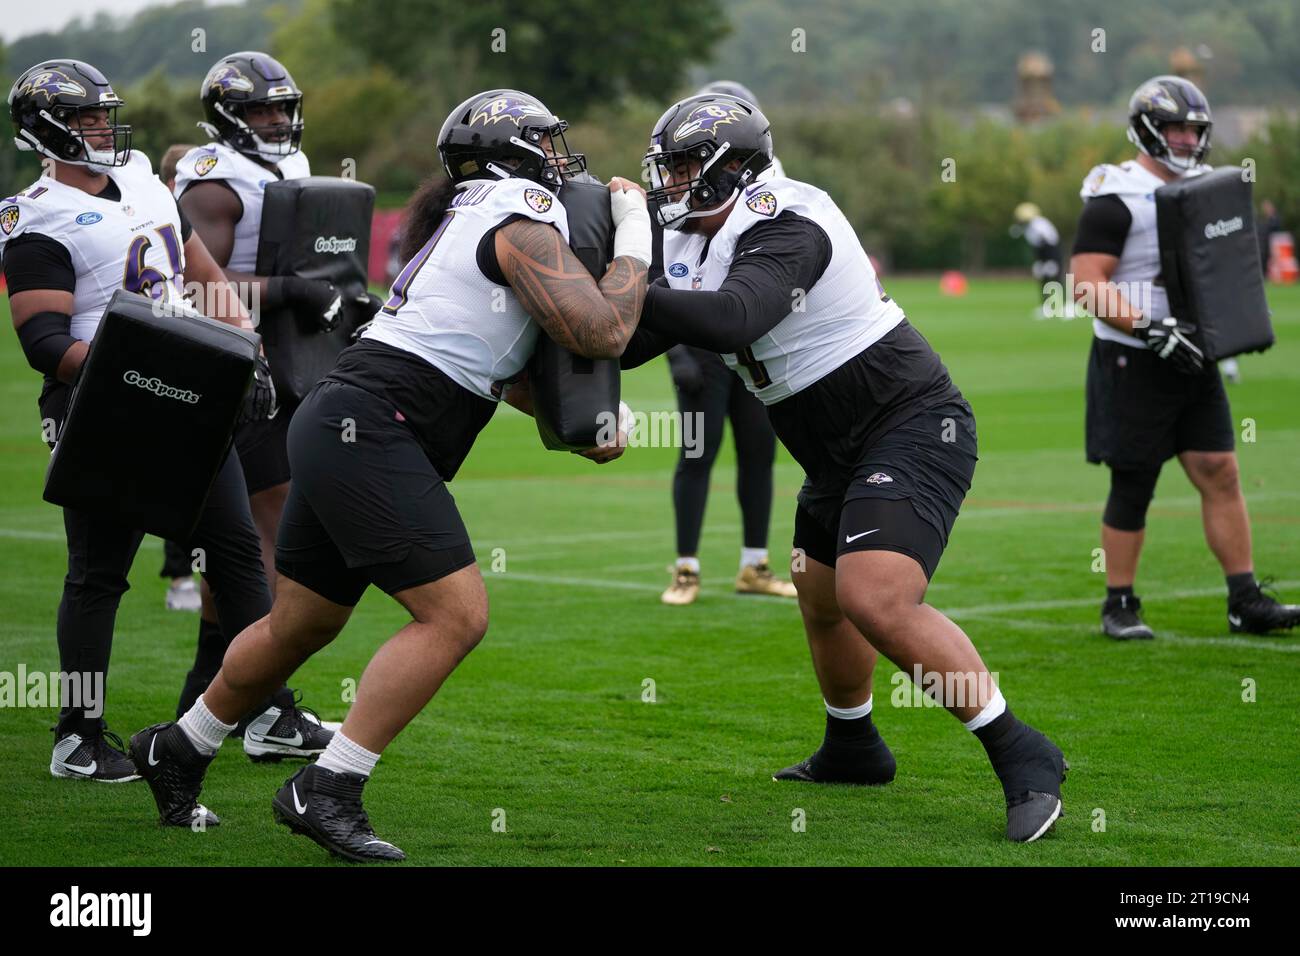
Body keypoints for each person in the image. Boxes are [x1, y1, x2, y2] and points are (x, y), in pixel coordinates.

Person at [130, 89, 653, 861]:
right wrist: (635, 239)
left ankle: (178, 748)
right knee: (455, 616)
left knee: (301, 622)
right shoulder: (518, 206)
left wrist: (578, 430)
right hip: (375, 424)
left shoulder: (471, 217)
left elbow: (487, 370)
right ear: (515, 155)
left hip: (351, 417)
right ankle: (328, 786)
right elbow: (602, 328)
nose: (559, 159)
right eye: (546, 143)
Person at [620, 92, 1067, 842]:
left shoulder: (790, 218)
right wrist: (565, 318)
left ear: (734, 165)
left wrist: (625, 290)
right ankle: (854, 744)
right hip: (830, 445)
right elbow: (628, 339)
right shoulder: (698, 237)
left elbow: (733, 318)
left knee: (877, 598)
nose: (672, 183)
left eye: (686, 165)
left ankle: (1021, 750)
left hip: (910, 419)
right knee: (819, 591)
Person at [1, 59, 278, 781]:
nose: (102, 126)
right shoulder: (33, 215)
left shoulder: (147, 181)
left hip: (183, 394)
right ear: (44, 129)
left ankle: (267, 704)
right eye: (87, 116)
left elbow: (197, 270)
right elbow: (47, 346)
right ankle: (77, 737)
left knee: (239, 552)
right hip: (106, 407)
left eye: (104, 113)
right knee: (100, 573)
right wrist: (152, 373)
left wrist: (242, 346)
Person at [1069, 75, 1300, 640]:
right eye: (1174, 127)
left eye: (1193, 129)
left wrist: (1239, 325)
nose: (1185, 139)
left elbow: (1223, 271)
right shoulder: (1115, 193)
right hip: (1134, 357)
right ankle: (1118, 604)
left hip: (1194, 354)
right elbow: (1085, 282)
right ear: (1147, 129)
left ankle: (1244, 599)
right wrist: (1150, 328)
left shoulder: (1207, 189)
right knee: (1135, 480)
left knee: (1220, 469)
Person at [170, 52, 347, 749]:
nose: (276, 121)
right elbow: (199, 283)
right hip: (236, 371)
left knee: (238, 551)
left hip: (292, 364)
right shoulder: (214, 182)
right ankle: (269, 711)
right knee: (268, 542)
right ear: (225, 118)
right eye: (259, 110)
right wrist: (290, 292)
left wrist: (337, 291)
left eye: (282, 107)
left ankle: (204, 704)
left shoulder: (291, 170)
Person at [659, 80, 794, 605]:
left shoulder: (773, 188)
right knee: (697, 455)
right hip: (701, 346)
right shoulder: (686, 199)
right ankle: (686, 569)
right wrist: (676, 352)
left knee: (758, 455)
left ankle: (754, 564)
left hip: (753, 345)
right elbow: (667, 280)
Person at [157, 142, 203, 613]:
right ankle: (179, 576)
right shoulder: (157, 206)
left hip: (199, 348)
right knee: (178, 475)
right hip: (167, 352)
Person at [1011, 201, 1071, 319]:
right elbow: (1036, 246)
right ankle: (1047, 307)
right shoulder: (1027, 228)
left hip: (1052, 255)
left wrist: (1050, 261)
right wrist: (1039, 262)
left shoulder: (1040, 225)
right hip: (1043, 256)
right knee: (1044, 280)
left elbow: (1048, 243)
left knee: (1057, 279)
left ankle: (1065, 306)